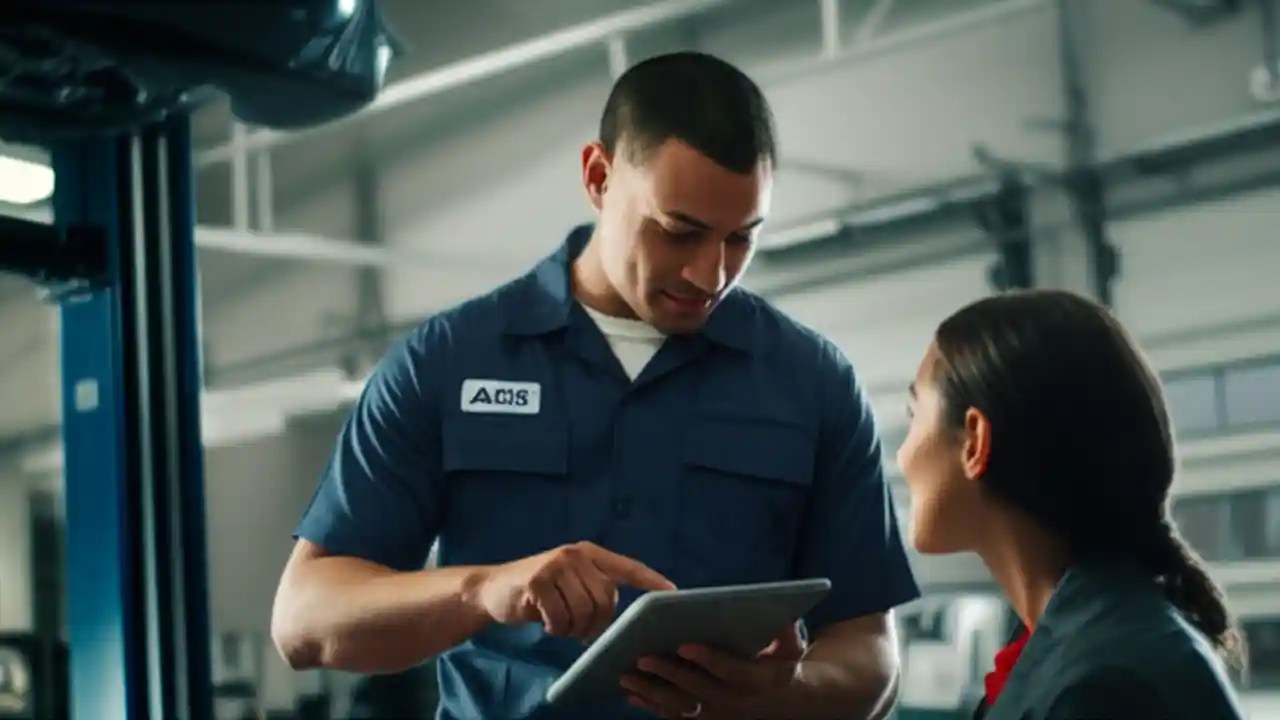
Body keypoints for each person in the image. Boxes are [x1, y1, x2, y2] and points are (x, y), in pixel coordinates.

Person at [270, 51, 920, 720]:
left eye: (740, 239)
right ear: (599, 176)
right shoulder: (448, 362)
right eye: (679, 231)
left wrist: (787, 696)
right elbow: (304, 620)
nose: (710, 274)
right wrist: (483, 591)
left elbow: (871, 651)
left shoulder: (812, 383)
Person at [897, 289, 1247, 719]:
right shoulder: (1089, 643)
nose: (902, 455)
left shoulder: (1100, 688)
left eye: (915, 415)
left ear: (974, 440)